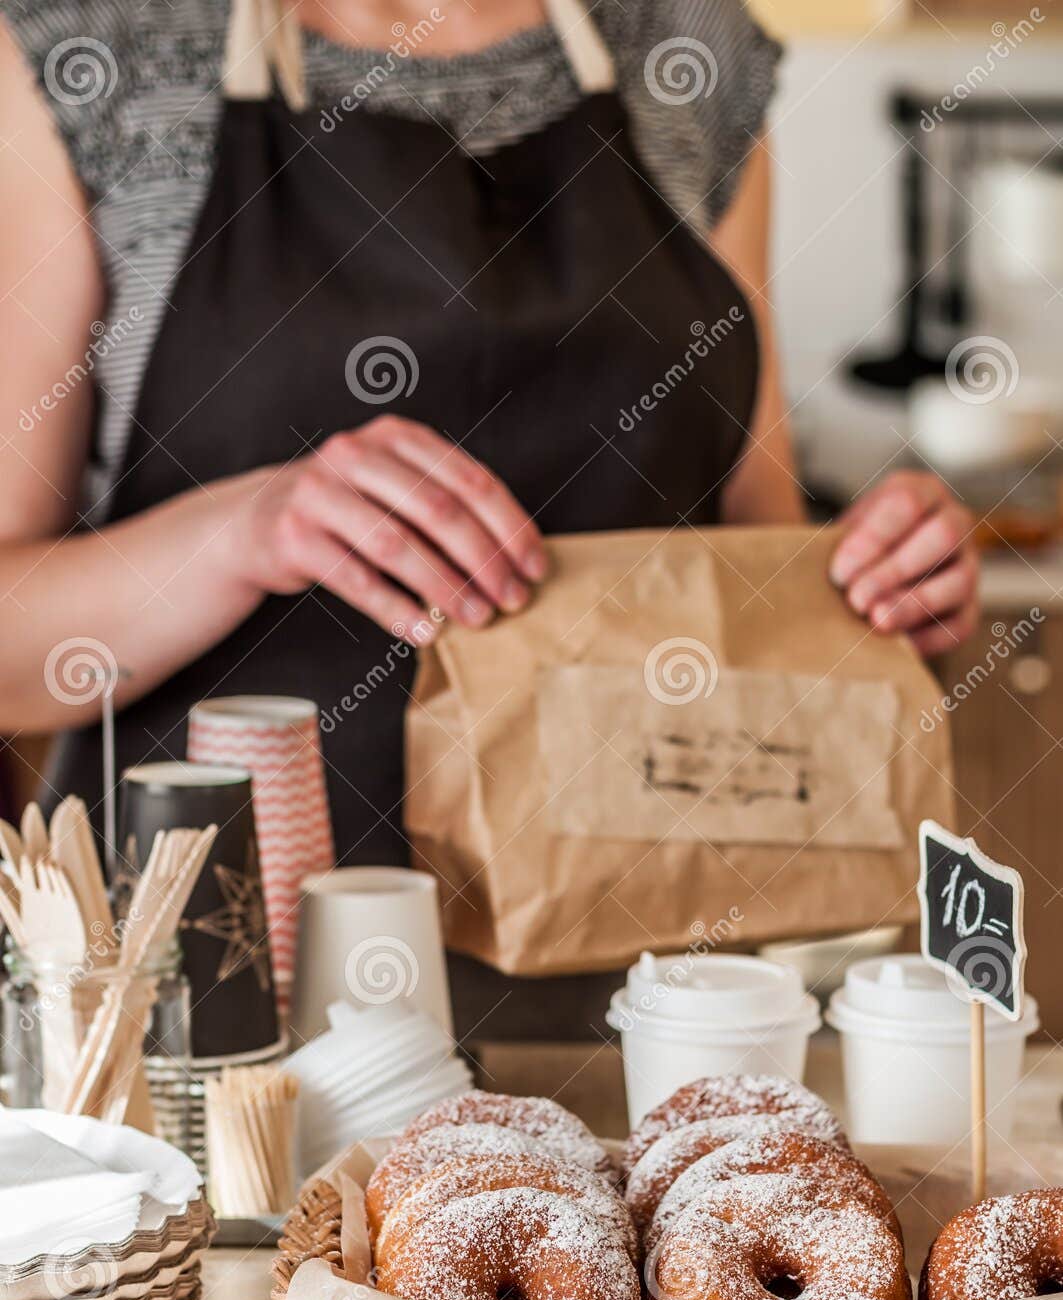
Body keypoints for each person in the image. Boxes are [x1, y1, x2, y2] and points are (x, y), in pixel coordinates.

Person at [0, 0, 979, 1035]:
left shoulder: (687, 48)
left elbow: (755, 559)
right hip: (216, 1013)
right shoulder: (99, 53)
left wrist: (875, 580)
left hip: (643, 1001)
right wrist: (242, 531)